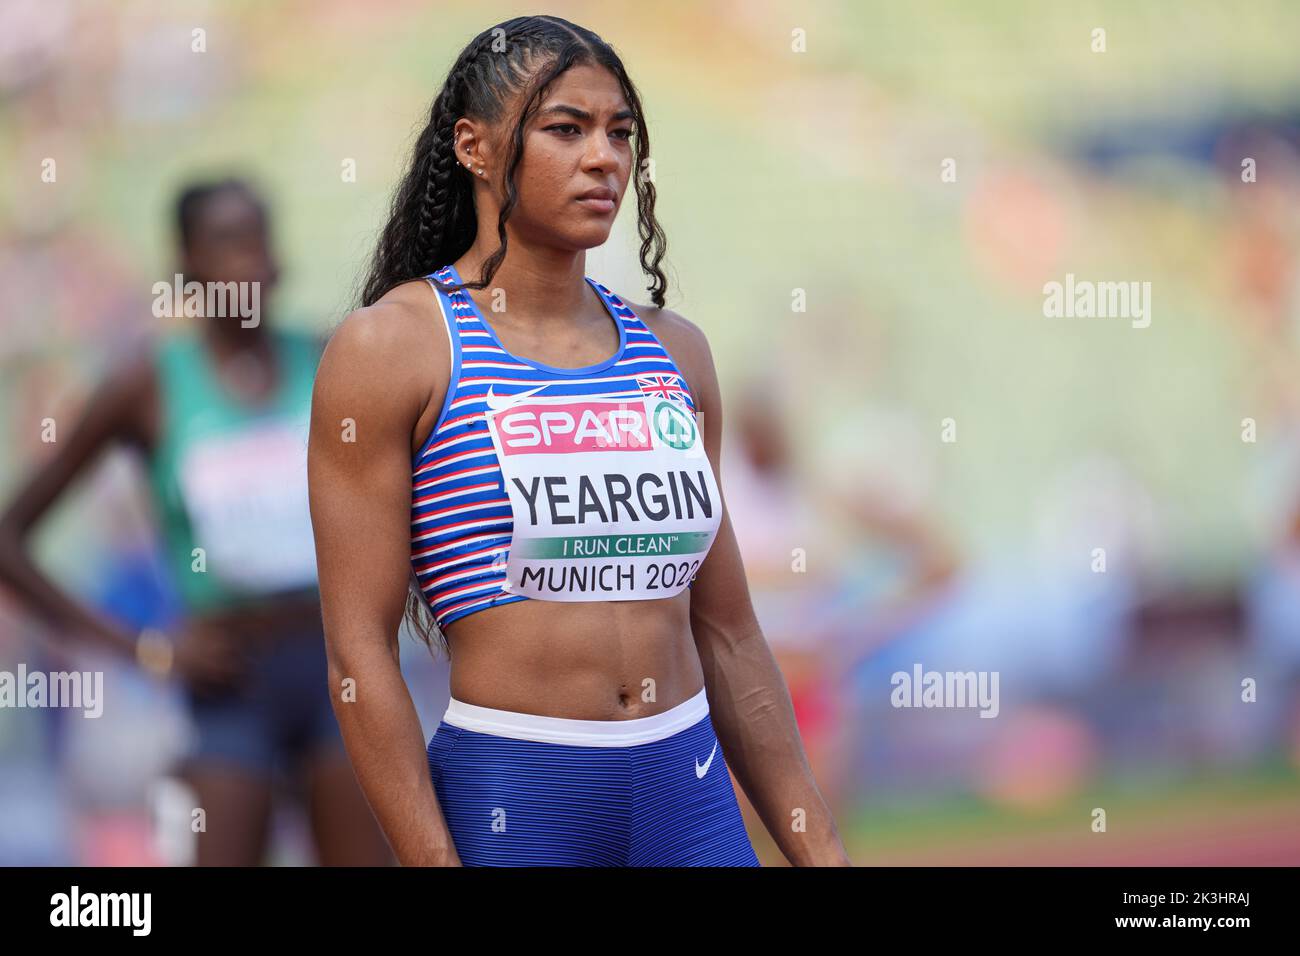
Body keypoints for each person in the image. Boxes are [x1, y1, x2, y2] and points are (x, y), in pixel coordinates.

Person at [308, 15, 850, 867]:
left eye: (620, 133)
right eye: (566, 129)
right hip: (517, 799)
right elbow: (358, 649)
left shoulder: (677, 353)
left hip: (689, 789)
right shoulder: (394, 347)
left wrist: (820, 852)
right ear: (475, 147)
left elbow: (733, 634)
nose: (605, 158)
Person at [0, 177, 391, 866]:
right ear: (184, 269)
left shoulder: (332, 359)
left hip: (339, 669)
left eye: (257, 240)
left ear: (279, 258)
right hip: (228, 681)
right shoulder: (147, 385)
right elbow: (11, 540)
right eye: (223, 243)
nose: (245, 263)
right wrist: (142, 649)